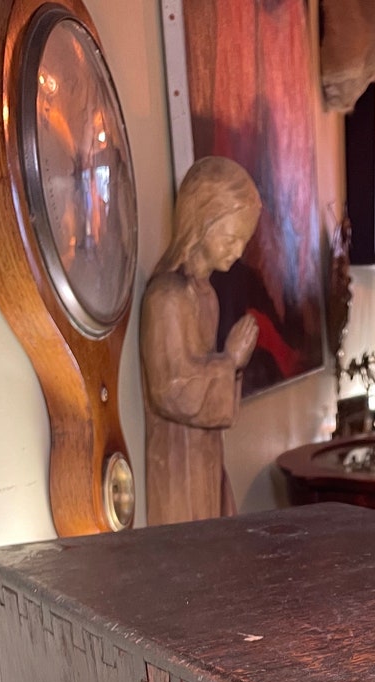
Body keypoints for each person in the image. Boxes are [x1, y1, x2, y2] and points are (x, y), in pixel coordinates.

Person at [140, 157, 262, 524]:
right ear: (200, 223)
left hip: (206, 457)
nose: (238, 251)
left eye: (244, 240)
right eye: (231, 238)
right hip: (179, 462)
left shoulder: (205, 293)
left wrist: (231, 364)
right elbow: (171, 390)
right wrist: (229, 361)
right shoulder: (167, 296)